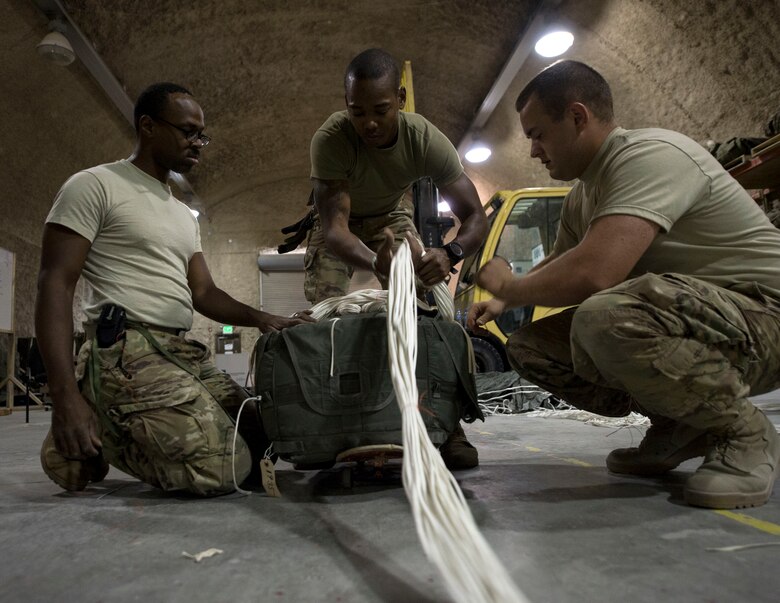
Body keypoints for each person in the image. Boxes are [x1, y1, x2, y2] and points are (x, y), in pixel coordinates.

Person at [467, 60, 780, 509]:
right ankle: (680, 422)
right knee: (530, 347)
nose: (533, 151)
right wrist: (500, 301)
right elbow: (562, 261)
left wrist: (512, 287)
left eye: (537, 134)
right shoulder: (583, 193)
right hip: (711, 323)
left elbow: (596, 272)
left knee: (605, 317)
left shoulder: (651, 155)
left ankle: (744, 432)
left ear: (577, 117)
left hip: (766, 314)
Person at [36, 82, 314, 496]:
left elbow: (203, 293)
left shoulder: (184, 215)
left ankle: (113, 415)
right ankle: (93, 421)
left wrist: (263, 317)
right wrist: (63, 400)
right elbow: (55, 283)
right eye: (188, 131)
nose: (198, 144)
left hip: (180, 352)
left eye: (202, 134)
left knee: (270, 443)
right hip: (124, 353)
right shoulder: (95, 185)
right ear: (148, 126)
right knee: (224, 467)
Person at [305, 48, 489, 469]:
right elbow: (335, 230)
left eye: (381, 110)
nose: (369, 123)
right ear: (346, 105)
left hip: (391, 215)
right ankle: (327, 427)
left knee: (429, 313)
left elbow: (474, 216)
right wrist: (376, 262)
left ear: (401, 99)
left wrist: (449, 253)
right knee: (321, 317)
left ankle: (446, 426)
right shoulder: (331, 139)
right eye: (358, 112)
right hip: (340, 223)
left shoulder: (423, 139)